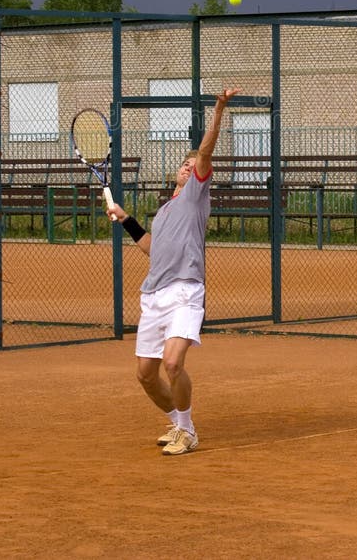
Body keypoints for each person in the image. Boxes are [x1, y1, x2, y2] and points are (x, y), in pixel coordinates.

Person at [107, 87, 239, 455]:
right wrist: (125, 219)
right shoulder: (165, 211)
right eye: (184, 162)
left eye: (193, 164)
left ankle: (188, 428)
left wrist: (218, 110)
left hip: (184, 291)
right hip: (154, 295)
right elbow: (152, 248)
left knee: (172, 362)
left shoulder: (196, 196)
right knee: (145, 376)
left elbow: (207, 149)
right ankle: (180, 425)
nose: (188, 165)